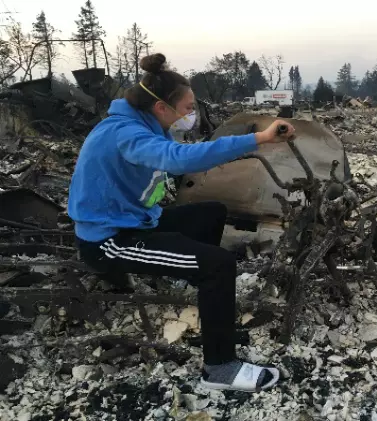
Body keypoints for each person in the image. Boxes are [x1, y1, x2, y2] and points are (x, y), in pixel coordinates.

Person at [67, 53, 295, 392]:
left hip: (138, 221)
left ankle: (193, 283)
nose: (190, 115)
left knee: (212, 211)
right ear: (162, 107)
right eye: (187, 108)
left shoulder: (142, 124)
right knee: (219, 265)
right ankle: (219, 369)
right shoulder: (126, 134)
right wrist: (257, 139)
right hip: (109, 240)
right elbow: (177, 160)